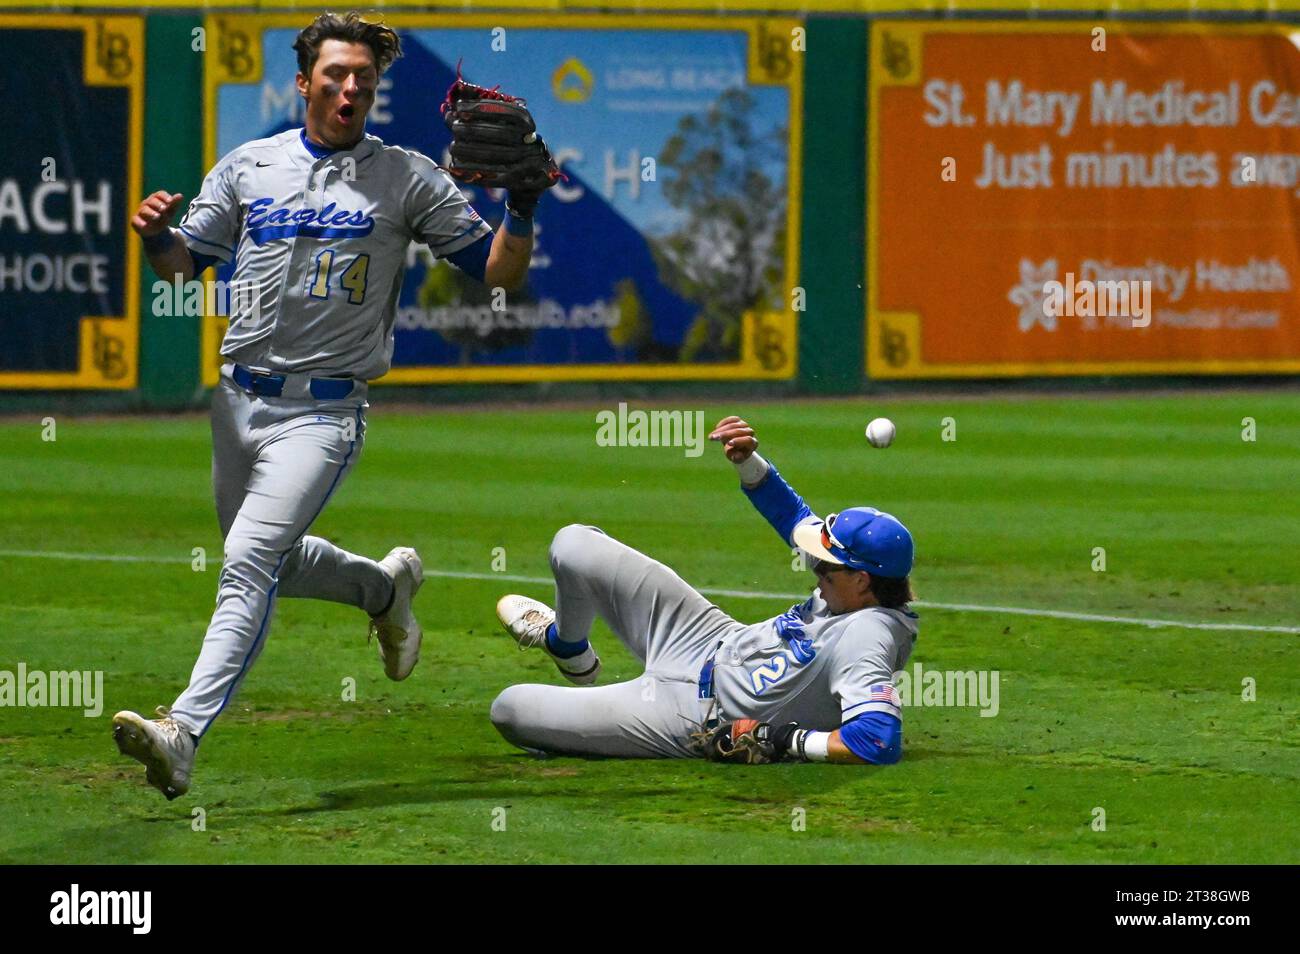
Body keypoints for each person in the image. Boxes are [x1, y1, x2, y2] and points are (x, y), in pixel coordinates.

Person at [113, 11, 546, 799]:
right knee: (270, 562)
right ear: (306, 81)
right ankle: (385, 592)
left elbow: (501, 274)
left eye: (365, 80)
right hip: (238, 400)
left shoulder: (406, 177)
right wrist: (153, 239)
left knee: (247, 564)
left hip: (324, 413)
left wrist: (520, 205)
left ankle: (181, 733)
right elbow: (183, 267)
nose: (352, 88)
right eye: (337, 75)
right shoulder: (250, 166)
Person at [490, 414, 919, 765]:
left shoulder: (869, 633)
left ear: (862, 580)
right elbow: (794, 518)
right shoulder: (850, 583)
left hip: (688, 713)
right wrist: (747, 461)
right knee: (573, 543)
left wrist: (783, 740)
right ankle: (568, 648)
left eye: (827, 563)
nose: (815, 564)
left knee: (509, 709)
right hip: (705, 635)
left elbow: (876, 741)